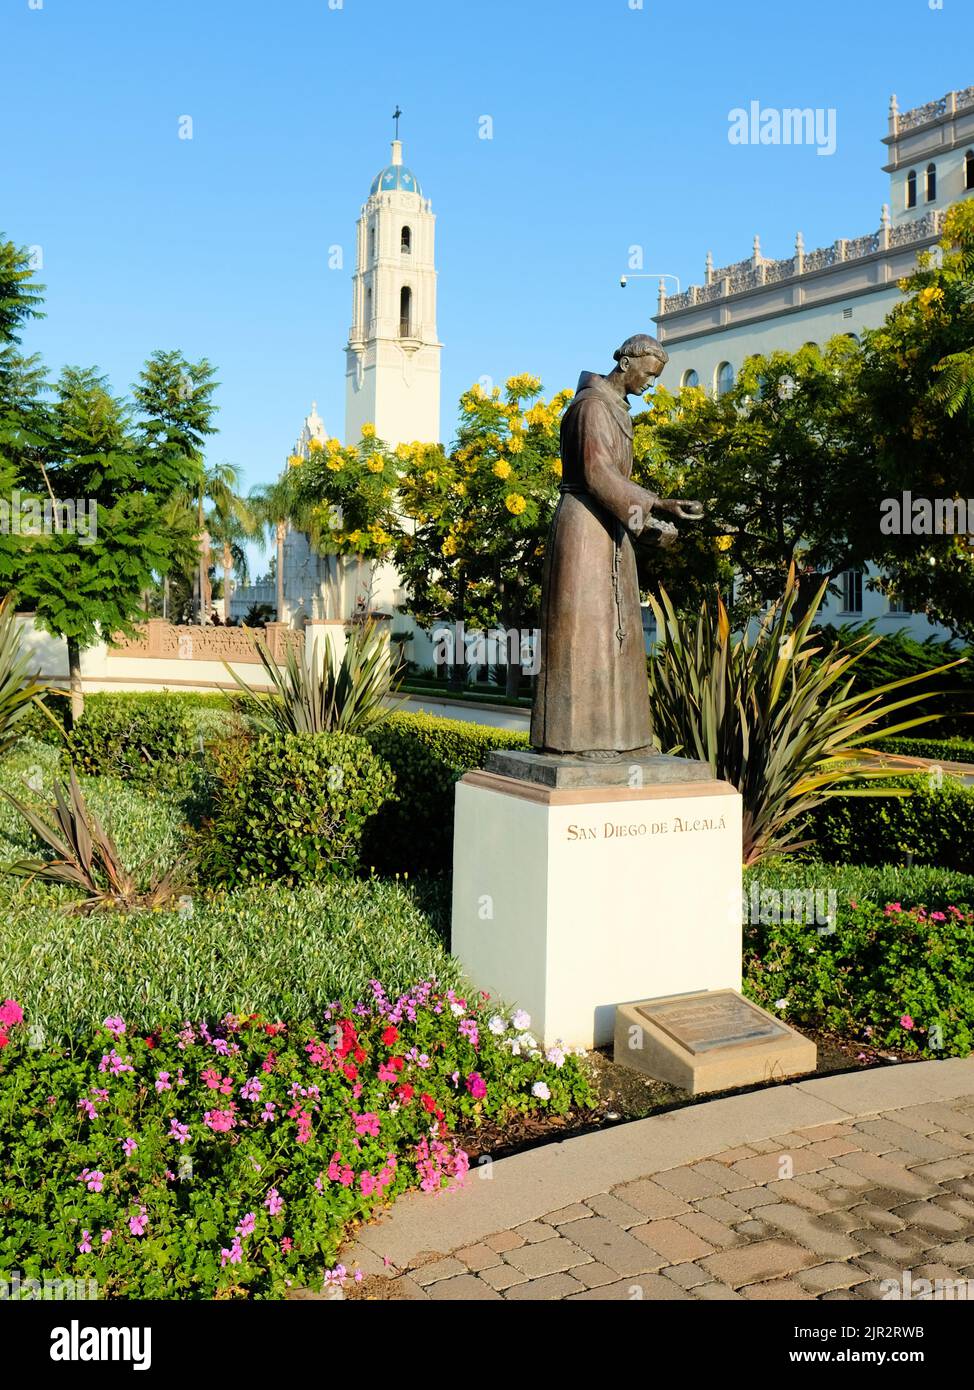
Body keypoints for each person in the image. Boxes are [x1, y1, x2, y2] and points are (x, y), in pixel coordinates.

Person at [531, 333, 702, 757]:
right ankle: (575, 740)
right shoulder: (591, 407)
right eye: (649, 374)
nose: (650, 384)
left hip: (610, 528)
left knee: (614, 635)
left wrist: (648, 522)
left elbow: (612, 482)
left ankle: (619, 740)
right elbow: (598, 475)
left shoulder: (614, 409)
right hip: (586, 529)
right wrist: (655, 505)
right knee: (585, 634)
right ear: (626, 363)